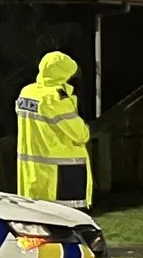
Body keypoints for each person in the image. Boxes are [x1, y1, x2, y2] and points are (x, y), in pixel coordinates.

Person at [15, 51, 93, 208]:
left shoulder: (27, 92)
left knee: (34, 219)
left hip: (32, 175)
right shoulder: (56, 98)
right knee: (68, 221)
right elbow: (81, 134)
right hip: (60, 176)